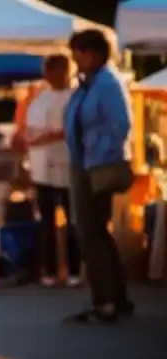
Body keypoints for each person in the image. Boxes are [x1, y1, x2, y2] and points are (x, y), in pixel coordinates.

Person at [64, 29, 134, 323]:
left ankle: (104, 301)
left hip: (96, 166)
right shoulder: (90, 84)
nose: (75, 61)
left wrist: (100, 155)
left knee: (90, 233)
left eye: (77, 55)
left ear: (91, 54)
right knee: (96, 232)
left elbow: (120, 124)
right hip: (85, 163)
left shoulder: (106, 84)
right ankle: (116, 297)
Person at [26, 55, 80, 287]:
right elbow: (30, 129)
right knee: (45, 222)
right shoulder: (41, 98)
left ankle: (74, 270)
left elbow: (71, 129)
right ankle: (47, 270)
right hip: (41, 168)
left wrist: (46, 137)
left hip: (67, 164)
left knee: (72, 221)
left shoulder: (76, 97)